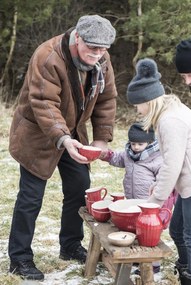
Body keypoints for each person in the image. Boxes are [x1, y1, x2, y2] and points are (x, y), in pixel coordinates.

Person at [8, 14, 117, 281]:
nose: (98, 54)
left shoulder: (101, 57)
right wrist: (64, 138)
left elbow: (106, 99)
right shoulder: (48, 56)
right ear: (77, 37)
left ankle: (69, 246)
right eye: (93, 47)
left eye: (103, 49)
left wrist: (101, 138)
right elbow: (44, 103)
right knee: (30, 199)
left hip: (72, 134)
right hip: (36, 135)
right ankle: (19, 258)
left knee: (80, 189)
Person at [126, 57, 191, 285]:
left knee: (189, 237)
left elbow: (173, 165)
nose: (137, 110)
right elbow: (173, 159)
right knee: (177, 231)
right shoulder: (169, 111)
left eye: (137, 105)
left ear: (148, 100)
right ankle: (184, 268)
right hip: (186, 186)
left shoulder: (170, 120)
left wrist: (153, 202)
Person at [101, 122, 177, 274]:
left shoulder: (158, 159)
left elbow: (165, 184)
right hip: (133, 203)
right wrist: (105, 155)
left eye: (140, 144)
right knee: (136, 232)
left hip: (151, 206)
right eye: (133, 143)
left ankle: (153, 264)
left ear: (150, 142)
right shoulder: (128, 155)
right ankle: (137, 257)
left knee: (150, 236)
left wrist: (162, 210)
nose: (135, 147)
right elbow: (117, 158)